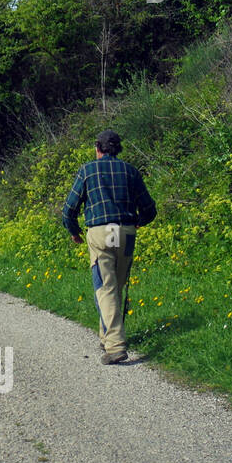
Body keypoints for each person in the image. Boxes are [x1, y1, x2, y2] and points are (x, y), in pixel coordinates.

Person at [61, 129, 156, 364]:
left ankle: (115, 346)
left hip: (100, 232)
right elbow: (149, 209)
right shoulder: (131, 171)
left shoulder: (87, 170)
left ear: (98, 148)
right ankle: (105, 336)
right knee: (116, 286)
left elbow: (68, 211)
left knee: (105, 288)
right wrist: (137, 223)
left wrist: (75, 232)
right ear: (118, 149)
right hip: (125, 232)